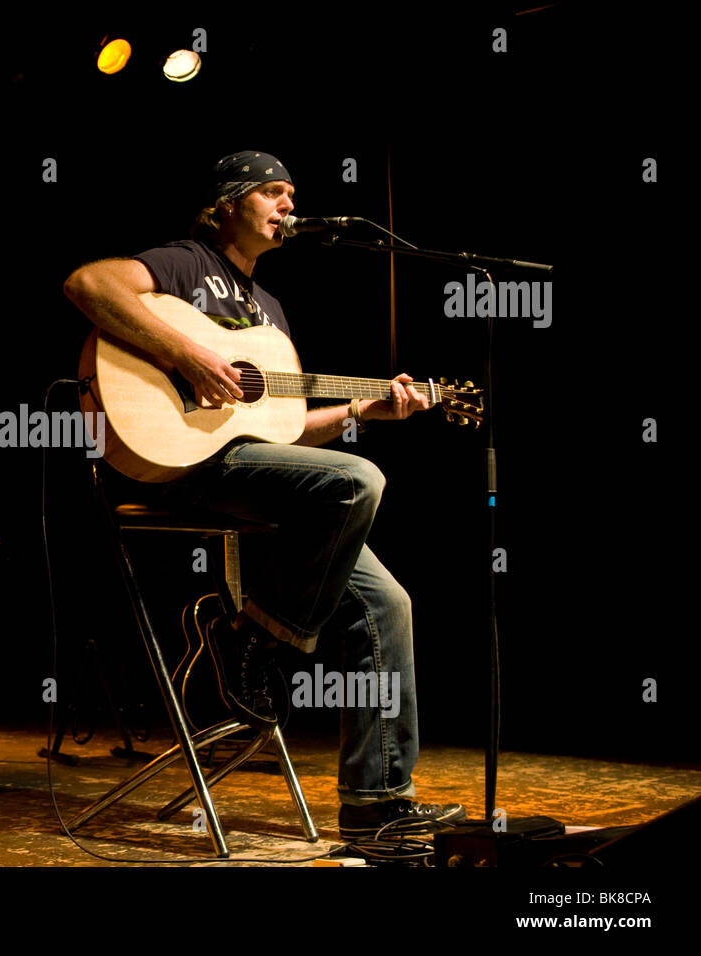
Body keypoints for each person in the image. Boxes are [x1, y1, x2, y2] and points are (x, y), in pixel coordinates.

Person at [62, 150, 466, 839]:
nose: (288, 205)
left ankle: (375, 801)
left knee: (387, 604)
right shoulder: (187, 262)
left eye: (292, 194)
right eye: (272, 193)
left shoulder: (268, 313)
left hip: (248, 469)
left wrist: (361, 413)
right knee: (359, 481)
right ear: (226, 205)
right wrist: (188, 356)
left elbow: (277, 429)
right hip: (183, 464)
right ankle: (251, 634)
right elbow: (88, 283)